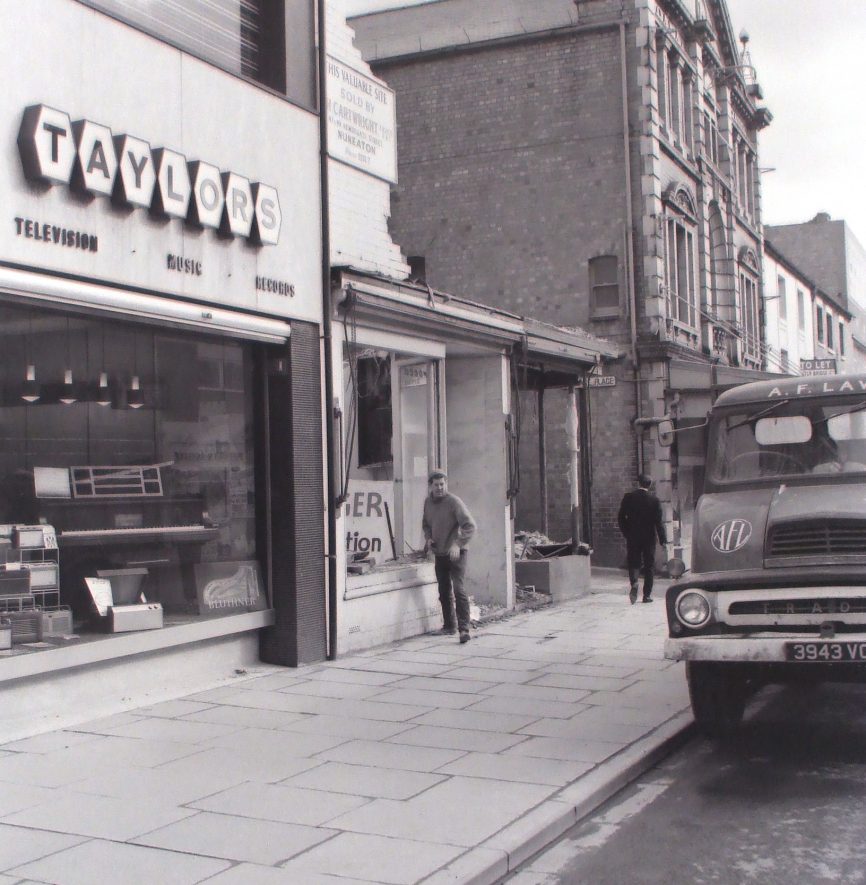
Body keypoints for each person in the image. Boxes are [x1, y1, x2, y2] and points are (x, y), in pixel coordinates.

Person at [422, 469, 476, 643]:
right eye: (436, 485)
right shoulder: (428, 503)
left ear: (446, 484)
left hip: (456, 553)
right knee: (443, 591)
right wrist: (429, 538)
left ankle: (464, 629)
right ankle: (449, 626)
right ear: (430, 486)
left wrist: (457, 544)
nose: (439, 488)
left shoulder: (454, 502)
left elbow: (470, 526)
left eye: (442, 484)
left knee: (458, 589)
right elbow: (426, 524)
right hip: (440, 552)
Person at [617, 474, 667, 604]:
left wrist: (627, 532)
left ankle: (634, 582)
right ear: (649, 485)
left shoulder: (628, 498)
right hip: (649, 538)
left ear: (638, 484)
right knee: (649, 566)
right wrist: (663, 540)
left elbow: (621, 517)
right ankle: (647, 596)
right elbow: (658, 523)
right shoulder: (654, 500)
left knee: (633, 562)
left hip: (633, 536)